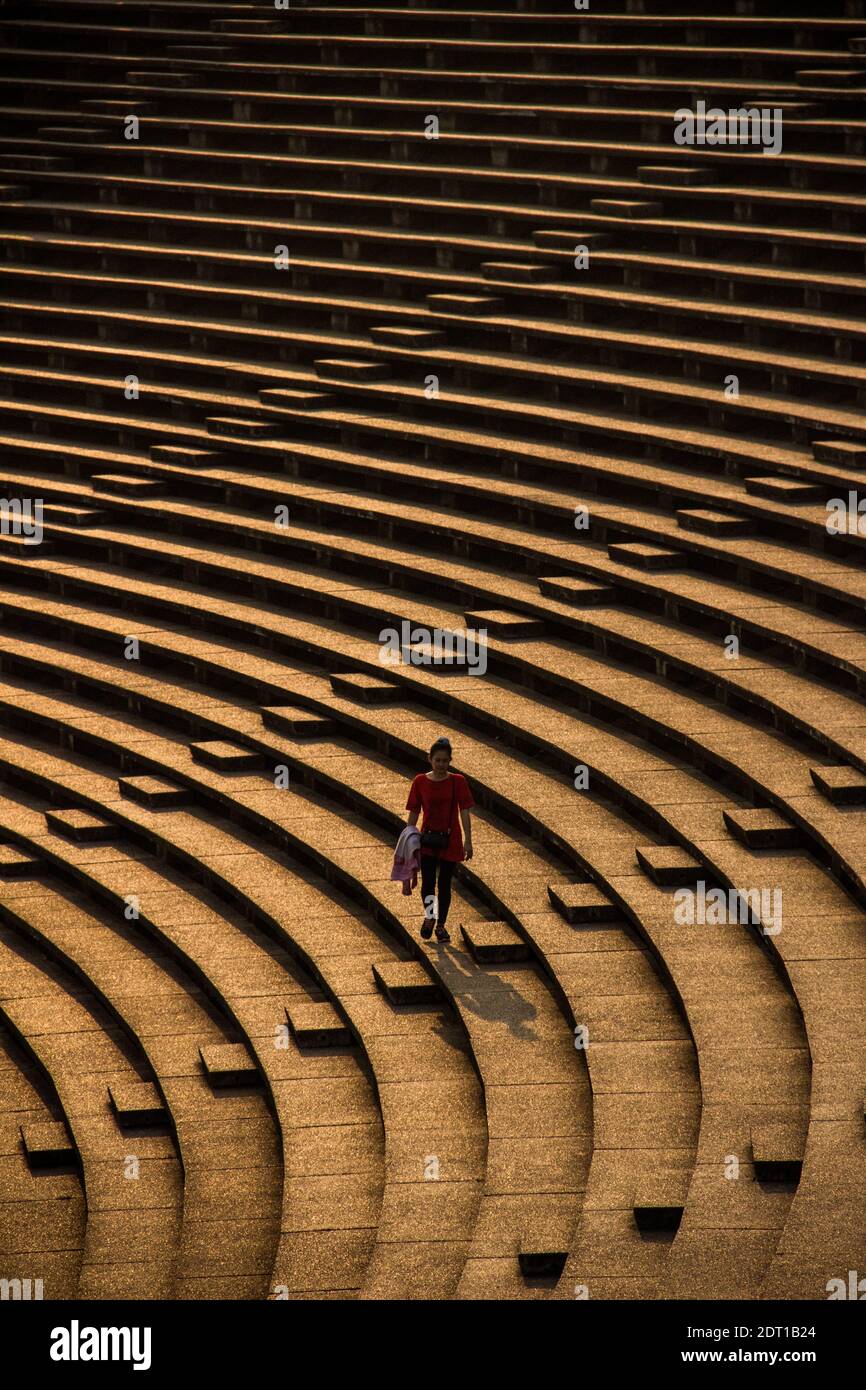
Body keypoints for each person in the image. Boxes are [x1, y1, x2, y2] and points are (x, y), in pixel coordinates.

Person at [405, 737, 474, 943]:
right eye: (438, 760)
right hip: (426, 838)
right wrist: (408, 838)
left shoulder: (457, 781)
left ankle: (441, 925)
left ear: (450, 760)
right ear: (430, 759)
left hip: (450, 839)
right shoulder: (420, 781)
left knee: (444, 884)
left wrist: (468, 841)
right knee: (428, 883)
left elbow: (465, 812)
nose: (442, 764)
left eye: (445, 761)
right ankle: (430, 916)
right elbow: (414, 811)